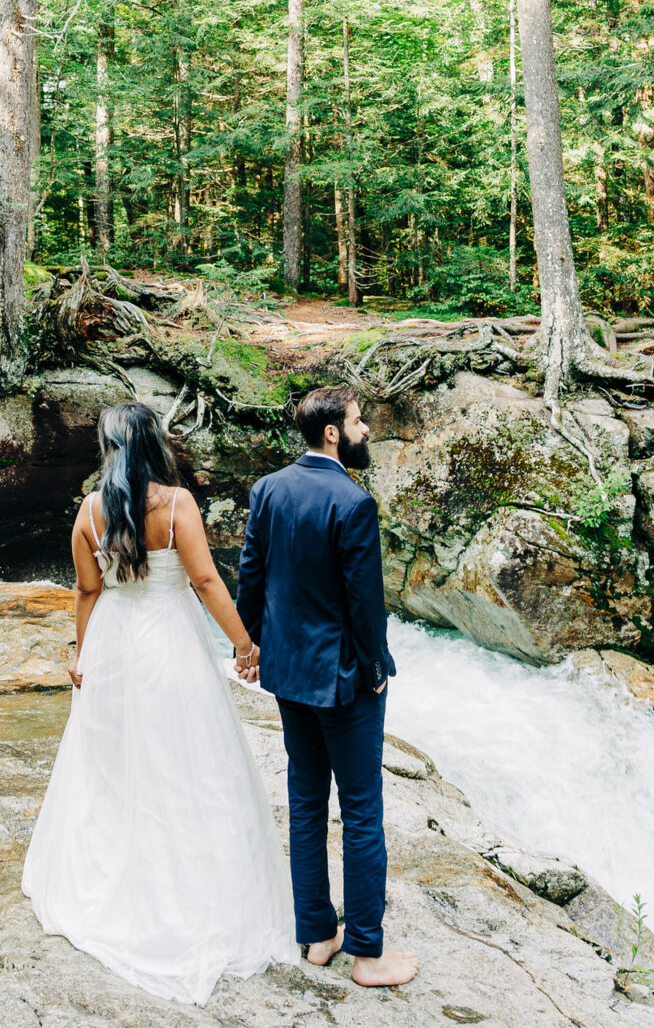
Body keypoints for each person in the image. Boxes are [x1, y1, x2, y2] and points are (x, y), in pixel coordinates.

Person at [21, 400, 297, 1005]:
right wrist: (245, 644)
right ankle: (191, 890)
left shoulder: (91, 512)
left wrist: (81, 655)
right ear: (153, 444)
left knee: (114, 768)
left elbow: (87, 590)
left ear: (109, 448)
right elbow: (205, 582)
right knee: (187, 764)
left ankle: (120, 879)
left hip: (116, 646)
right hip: (171, 643)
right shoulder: (175, 505)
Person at [235, 384, 419, 988]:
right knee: (362, 811)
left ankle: (317, 936)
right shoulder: (353, 502)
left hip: (288, 676)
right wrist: (375, 671)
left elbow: (252, 578)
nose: (366, 431)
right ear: (334, 432)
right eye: (360, 422)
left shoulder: (268, 490)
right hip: (342, 681)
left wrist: (255, 646)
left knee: (308, 805)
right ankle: (367, 954)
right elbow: (367, 607)